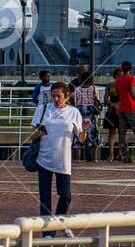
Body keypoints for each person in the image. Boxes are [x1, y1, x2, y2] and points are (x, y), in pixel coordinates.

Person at [26, 80, 83, 236]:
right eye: (53, 96)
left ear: (67, 96)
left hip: (63, 161)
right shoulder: (43, 109)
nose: (56, 99)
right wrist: (39, 132)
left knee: (65, 196)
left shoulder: (74, 112)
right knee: (45, 198)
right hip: (44, 158)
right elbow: (32, 136)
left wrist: (86, 128)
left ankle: (59, 222)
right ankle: (47, 233)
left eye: (59, 96)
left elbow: (81, 138)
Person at [113, 62, 135, 162]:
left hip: (122, 108)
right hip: (131, 108)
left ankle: (125, 156)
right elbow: (132, 93)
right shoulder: (131, 79)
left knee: (122, 133)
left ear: (122, 69)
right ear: (131, 69)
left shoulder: (118, 80)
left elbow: (118, 93)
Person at [71, 66, 101, 163]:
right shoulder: (94, 89)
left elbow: (74, 103)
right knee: (94, 134)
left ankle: (78, 158)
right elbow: (97, 101)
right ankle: (94, 158)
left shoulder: (77, 90)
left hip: (80, 114)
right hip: (91, 114)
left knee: (78, 133)